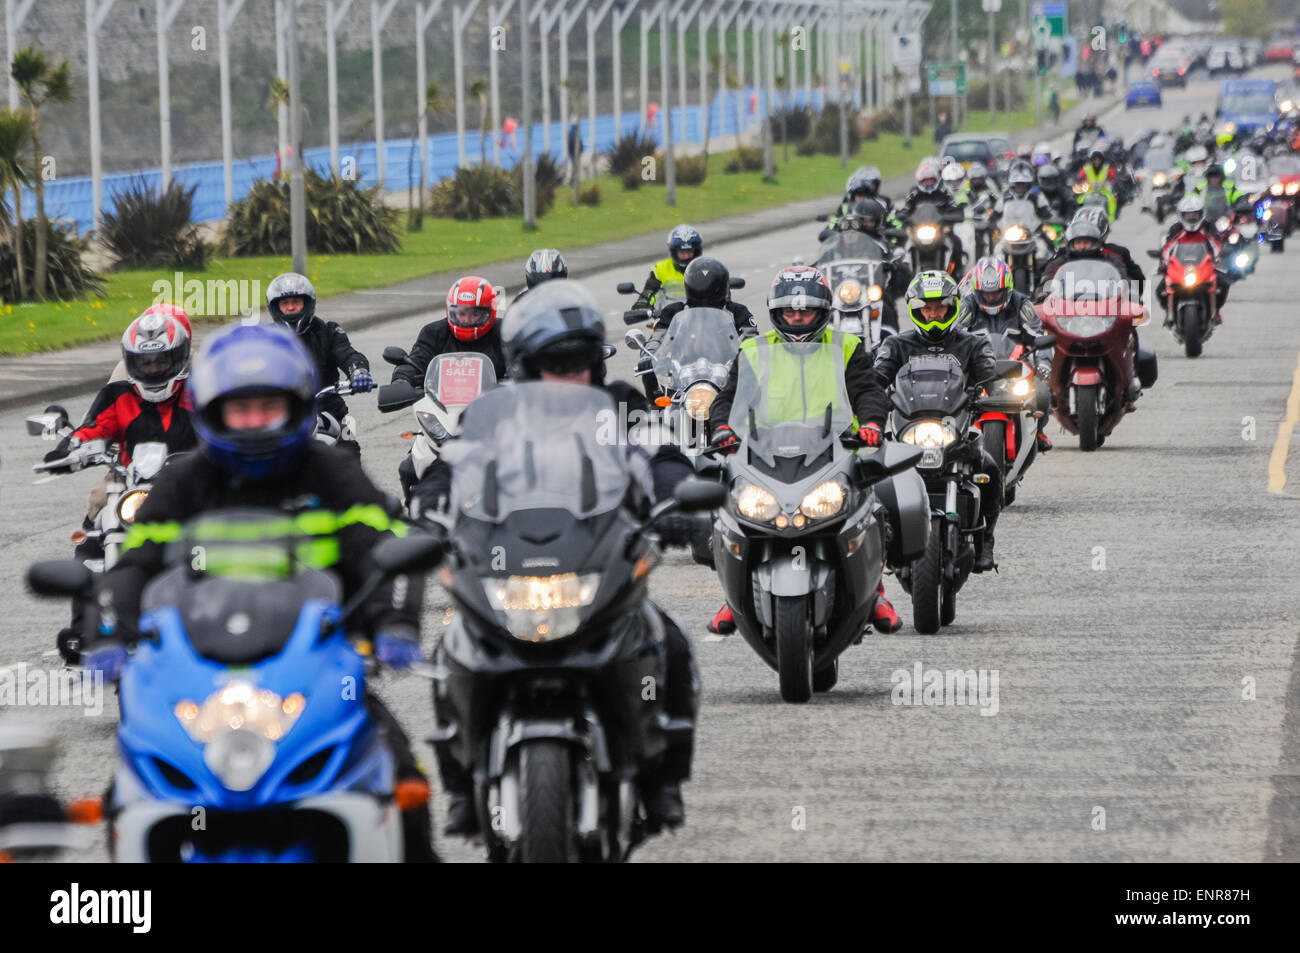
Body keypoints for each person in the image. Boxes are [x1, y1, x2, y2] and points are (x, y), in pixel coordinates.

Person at [87, 322, 437, 862]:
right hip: (197, 672)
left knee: (399, 779)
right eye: (240, 409)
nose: (253, 422)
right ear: (211, 412)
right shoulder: (183, 482)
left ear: (295, 406)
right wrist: (110, 633)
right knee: (130, 792)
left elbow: (390, 545)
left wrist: (394, 624)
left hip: (317, 662)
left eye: (267, 407)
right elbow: (131, 567)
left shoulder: (332, 471)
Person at [431, 279, 699, 834]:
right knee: (449, 650)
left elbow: (664, 452)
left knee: (669, 644)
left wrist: (675, 498)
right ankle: (460, 787)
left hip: (598, 560)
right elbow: (451, 465)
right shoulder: (495, 415)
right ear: (527, 365)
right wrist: (428, 508)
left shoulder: (621, 406)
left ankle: (663, 779)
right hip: (510, 562)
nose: (571, 375)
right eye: (556, 363)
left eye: (579, 362)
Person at [706, 265, 904, 636]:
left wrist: (873, 424)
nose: (797, 318)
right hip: (766, 451)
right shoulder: (754, 350)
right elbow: (728, 398)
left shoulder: (846, 347)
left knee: (877, 504)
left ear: (823, 312)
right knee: (728, 510)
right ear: (776, 312)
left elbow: (867, 392)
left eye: (806, 311)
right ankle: (734, 596)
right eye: (790, 311)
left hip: (835, 449)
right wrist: (721, 428)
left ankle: (875, 590)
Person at [44, 308, 198, 661]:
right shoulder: (119, 394)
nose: (153, 369)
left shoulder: (201, 390)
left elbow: (224, 425)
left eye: (162, 361)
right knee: (95, 528)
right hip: (133, 482)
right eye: (145, 362)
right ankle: (83, 629)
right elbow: (93, 427)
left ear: (179, 356)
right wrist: (68, 448)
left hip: (191, 484)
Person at [873, 271, 1003, 572]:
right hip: (908, 430)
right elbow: (876, 379)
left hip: (956, 429)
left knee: (991, 471)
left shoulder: (973, 344)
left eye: (940, 308)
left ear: (953, 307)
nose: (933, 315)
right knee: (872, 479)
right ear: (916, 310)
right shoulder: (896, 345)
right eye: (927, 309)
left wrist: (995, 393)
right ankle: (880, 547)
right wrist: (867, 399)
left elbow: (989, 377)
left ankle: (985, 541)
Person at [391, 275, 507, 510]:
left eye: (474, 314)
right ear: (450, 311)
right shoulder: (434, 332)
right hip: (444, 414)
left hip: (493, 414)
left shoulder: (504, 333)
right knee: (410, 464)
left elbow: (520, 362)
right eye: (460, 313)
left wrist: (518, 381)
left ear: (489, 312)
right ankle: (416, 511)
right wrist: (402, 379)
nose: (466, 319)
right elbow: (415, 360)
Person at [265, 273, 373, 455]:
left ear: (308, 304)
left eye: (296, 302)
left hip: (326, 410)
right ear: (275, 308)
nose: (291, 308)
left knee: (348, 455)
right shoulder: (264, 338)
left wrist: (358, 371)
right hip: (279, 412)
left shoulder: (327, 332)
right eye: (285, 304)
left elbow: (347, 354)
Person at [957, 257, 1054, 453]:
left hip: (1017, 366)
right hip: (979, 368)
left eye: (996, 293)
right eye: (986, 294)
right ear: (977, 291)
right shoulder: (968, 305)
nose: (991, 298)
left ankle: (1038, 431)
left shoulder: (1022, 304)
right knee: (956, 396)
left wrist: (1044, 362)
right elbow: (956, 336)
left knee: (1042, 392)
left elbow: (1038, 334)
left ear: (1007, 288)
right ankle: (958, 435)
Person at [636, 256, 757, 397]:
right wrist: (648, 355)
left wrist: (750, 356)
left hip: (726, 375)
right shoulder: (674, 311)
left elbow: (751, 339)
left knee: (749, 402)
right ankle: (655, 411)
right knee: (649, 374)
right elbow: (658, 337)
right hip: (681, 376)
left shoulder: (738, 312)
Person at [1157, 194, 1230, 322]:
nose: (1191, 217)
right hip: (1180, 267)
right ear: (1181, 215)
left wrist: (1217, 259)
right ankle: (1169, 312)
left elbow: (1216, 244)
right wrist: (1164, 263)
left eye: (1195, 214)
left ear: (1201, 214)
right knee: (1160, 290)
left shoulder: (1208, 227)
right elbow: (1167, 248)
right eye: (1188, 215)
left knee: (1223, 284)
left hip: (1203, 266)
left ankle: (1216, 312)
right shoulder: (1176, 229)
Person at [899, 156, 966, 272]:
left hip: (941, 231)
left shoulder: (944, 192)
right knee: (901, 248)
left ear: (936, 180)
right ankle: (907, 275)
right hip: (918, 232)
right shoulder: (914, 194)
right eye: (926, 181)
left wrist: (951, 216)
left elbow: (954, 208)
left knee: (956, 243)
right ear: (920, 181)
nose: (929, 183)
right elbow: (905, 210)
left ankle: (957, 273)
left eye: (931, 180)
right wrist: (903, 217)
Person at [631, 224, 704, 312]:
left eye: (689, 251)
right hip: (667, 319)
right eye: (682, 252)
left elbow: (719, 291)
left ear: (696, 251)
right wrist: (642, 302)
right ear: (674, 251)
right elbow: (649, 291)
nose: (686, 256)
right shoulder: (661, 268)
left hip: (699, 318)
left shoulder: (706, 267)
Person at [1076, 144, 1117, 219]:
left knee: (1112, 199)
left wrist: (1112, 183)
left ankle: (1110, 217)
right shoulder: (1086, 168)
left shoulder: (1107, 168)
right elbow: (1080, 177)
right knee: (1078, 200)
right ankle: (1079, 217)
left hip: (1104, 191)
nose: (1097, 161)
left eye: (1099, 159)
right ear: (1092, 160)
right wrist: (1079, 183)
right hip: (1089, 192)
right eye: (1095, 159)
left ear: (1102, 160)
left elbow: (1113, 177)